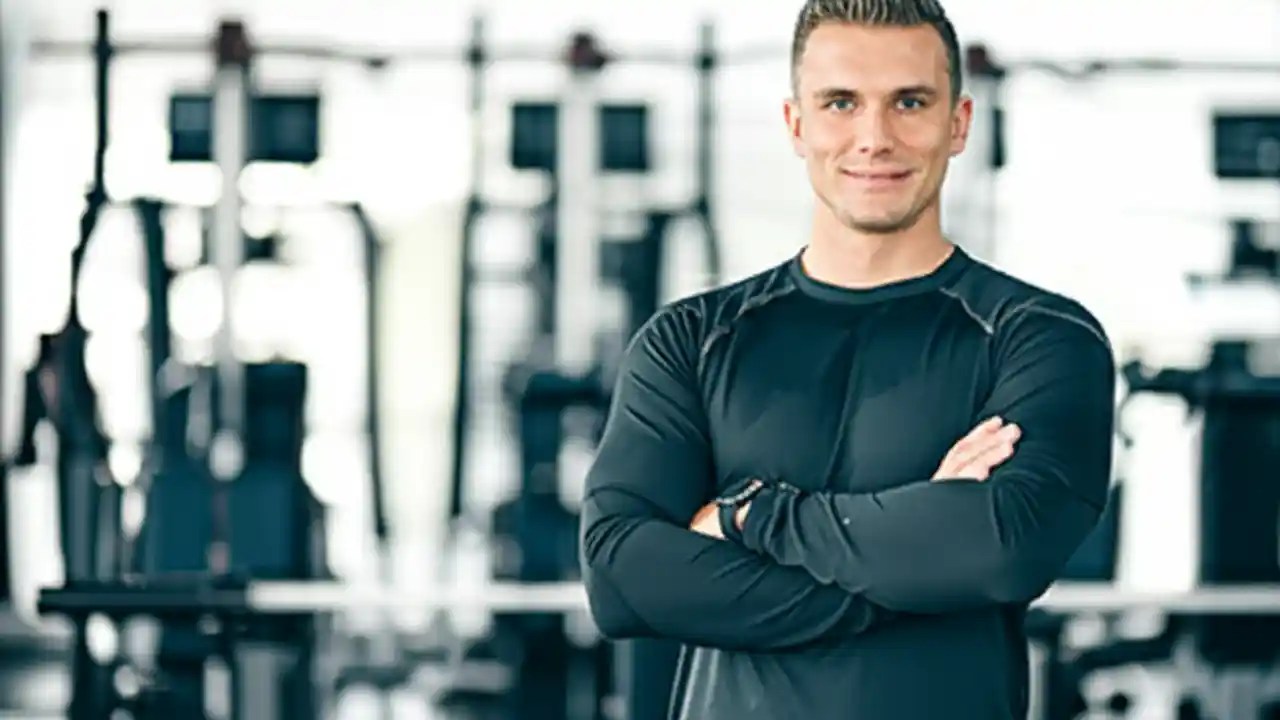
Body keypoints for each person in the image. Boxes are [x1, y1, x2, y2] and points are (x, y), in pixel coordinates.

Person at [578, 0, 1116, 718]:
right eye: (841, 103)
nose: (875, 137)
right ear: (797, 124)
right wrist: (914, 565)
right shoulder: (691, 340)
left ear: (958, 122)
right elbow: (620, 579)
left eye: (910, 102)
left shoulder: (1039, 337)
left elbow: (1001, 549)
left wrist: (749, 517)